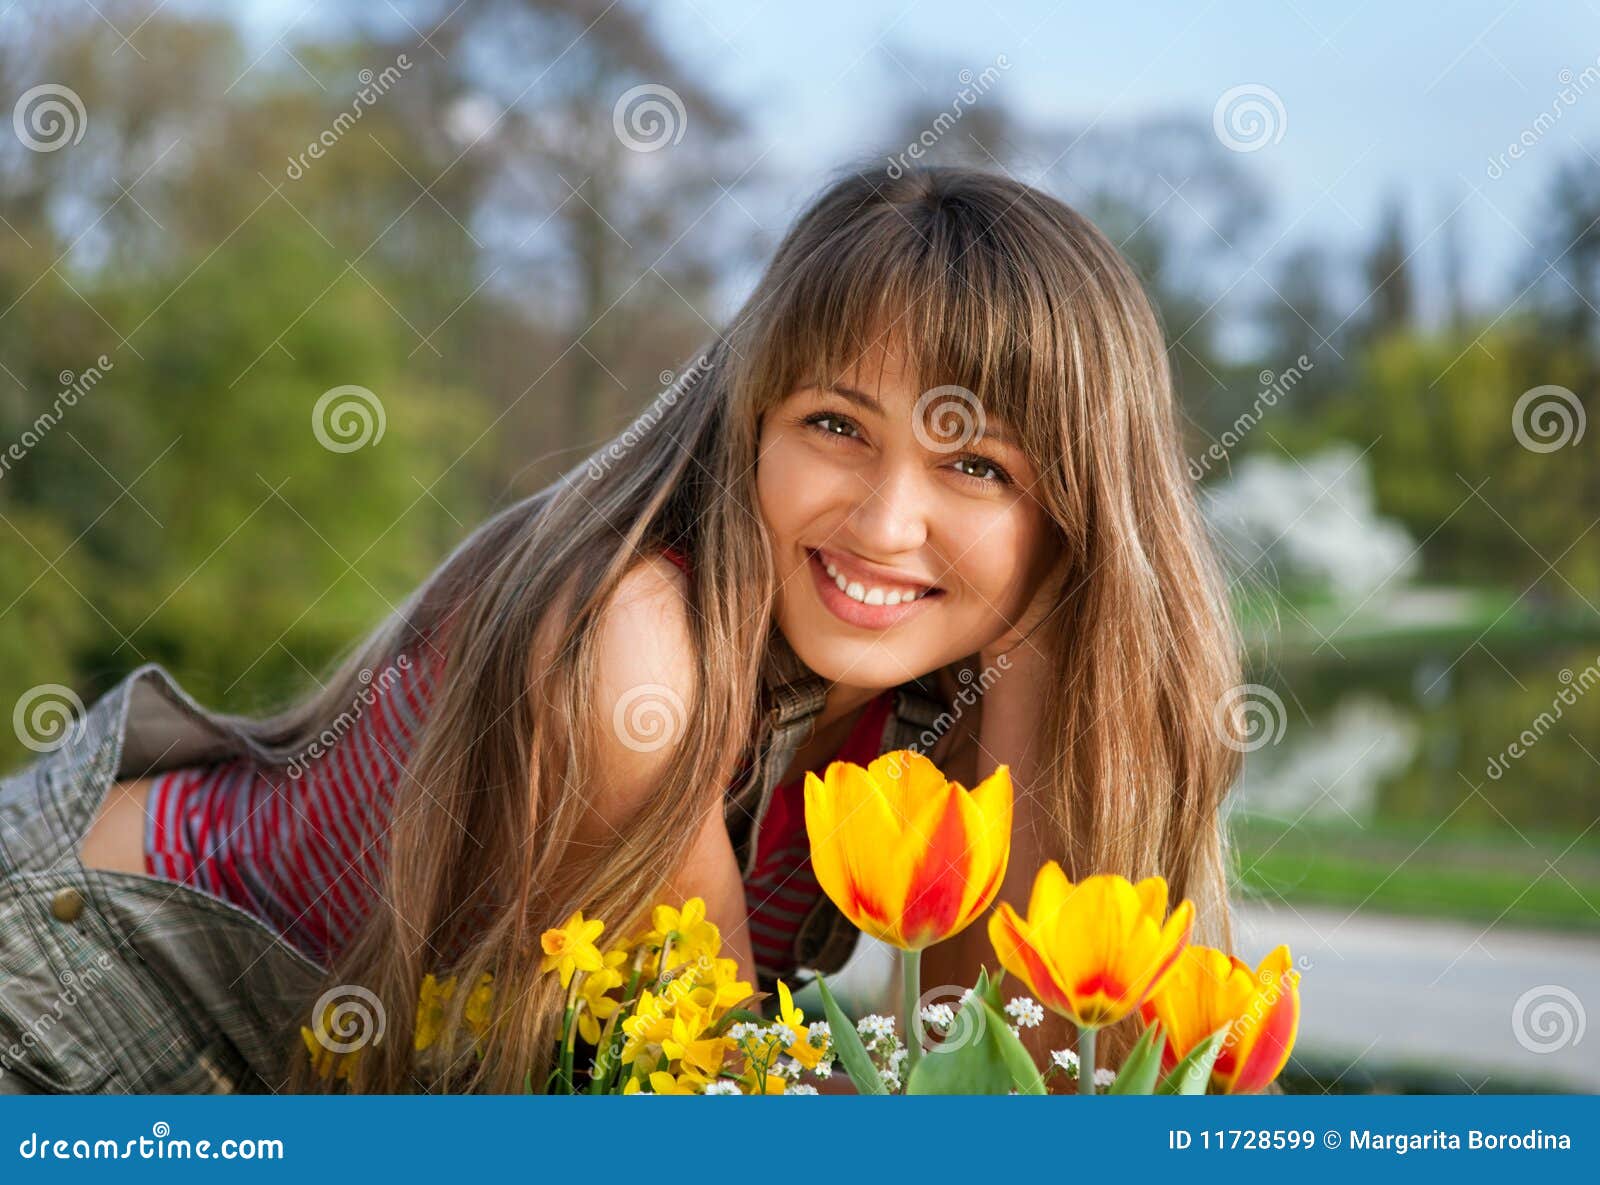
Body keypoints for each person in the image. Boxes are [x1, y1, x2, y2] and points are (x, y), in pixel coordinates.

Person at [0, 163, 1244, 1095]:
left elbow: (992, 1082)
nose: (883, 519)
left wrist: (1041, 649)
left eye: (976, 467)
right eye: (834, 426)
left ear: (1079, 514)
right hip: (82, 1003)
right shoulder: (630, 649)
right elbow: (713, 1105)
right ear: (751, 415)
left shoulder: (935, 693)